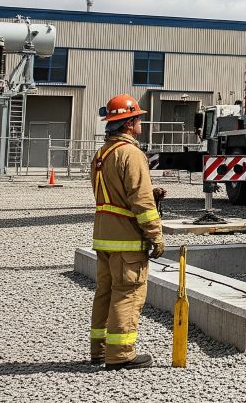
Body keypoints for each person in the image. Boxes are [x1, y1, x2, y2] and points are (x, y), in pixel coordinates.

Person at [89, 94, 164, 370]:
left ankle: (98, 350)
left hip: (104, 237)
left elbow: (113, 195)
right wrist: (155, 235)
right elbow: (141, 202)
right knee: (128, 292)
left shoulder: (102, 154)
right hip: (126, 240)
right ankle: (120, 355)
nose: (140, 122)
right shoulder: (131, 154)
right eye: (138, 118)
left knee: (105, 293)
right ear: (129, 123)